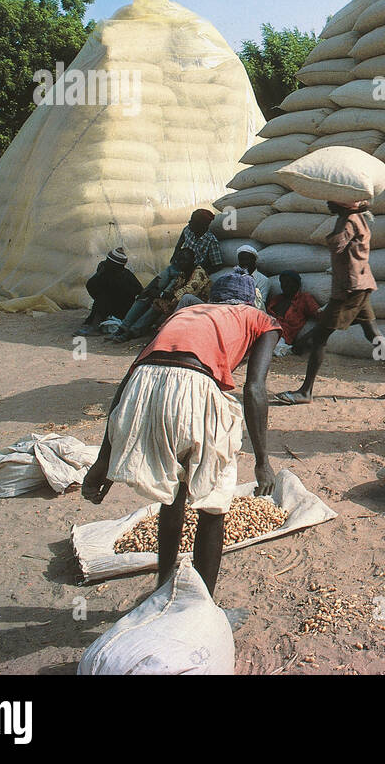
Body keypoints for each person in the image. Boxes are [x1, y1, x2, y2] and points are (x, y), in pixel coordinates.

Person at [81, 302, 281, 596]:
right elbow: (254, 389)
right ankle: (200, 607)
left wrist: (103, 461)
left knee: (173, 492)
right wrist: (262, 461)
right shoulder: (265, 322)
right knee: (213, 505)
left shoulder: (186, 312)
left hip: (143, 385)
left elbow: (128, 378)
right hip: (196, 383)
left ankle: (163, 586)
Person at [273, 200, 385, 403]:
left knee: (319, 337)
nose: (328, 203)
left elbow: (336, 245)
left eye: (333, 200)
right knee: (373, 333)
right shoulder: (357, 218)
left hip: (349, 289)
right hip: (360, 285)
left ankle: (306, 391)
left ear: (345, 202)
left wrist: (339, 221)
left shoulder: (348, 220)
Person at [108, 246, 207, 342]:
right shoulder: (183, 273)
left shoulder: (198, 274)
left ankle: (132, 332)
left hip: (199, 305)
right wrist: (155, 293)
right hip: (183, 301)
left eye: (185, 260)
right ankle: (125, 329)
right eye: (179, 260)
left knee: (160, 302)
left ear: (193, 260)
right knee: (153, 299)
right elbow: (173, 290)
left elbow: (182, 293)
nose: (181, 263)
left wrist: (159, 294)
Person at [76, 247, 142, 336]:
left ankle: (95, 327)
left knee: (103, 298)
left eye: (108, 262)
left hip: (123, 310)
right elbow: (91, 286)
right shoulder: (107, 272)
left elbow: (139, 292)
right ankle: (96, 322)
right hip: (113, 307)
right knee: (103, 297)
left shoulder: (123, 276)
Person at [265, 270, 321, 356]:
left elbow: (322, 318)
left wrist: (305, 339)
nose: (285, 285)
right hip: (264, 328)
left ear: (297, 284)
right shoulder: (277, 299)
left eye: (288, 282)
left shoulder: (304, 299)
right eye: (282, 282)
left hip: (280, 336)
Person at [234, 244, 270, 311]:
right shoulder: (234, 277)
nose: (244, 262)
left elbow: (260, 304)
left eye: (247, 259)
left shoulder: (263, 280)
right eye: (241, 260)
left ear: (254, 260)